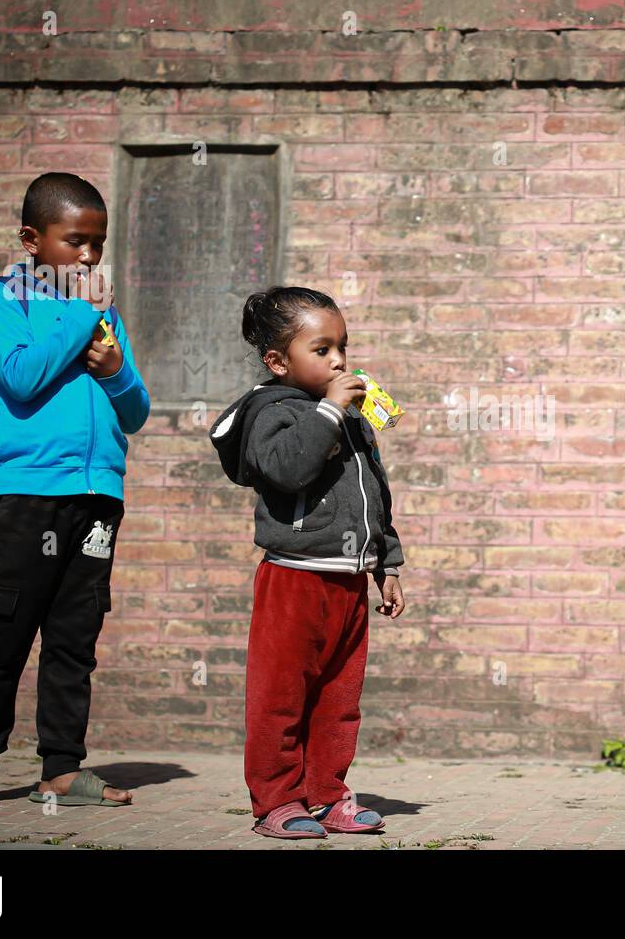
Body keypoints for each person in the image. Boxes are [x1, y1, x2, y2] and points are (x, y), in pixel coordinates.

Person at [0, 172, 149, 809]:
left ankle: (61, 769)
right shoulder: (5, 299)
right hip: (30, 494)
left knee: (75, 635)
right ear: (32, 239)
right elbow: (22, 377)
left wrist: (116, 372)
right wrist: (82, 312)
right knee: (6, 629)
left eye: (99, 242)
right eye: (76, 242)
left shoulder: (103, 310)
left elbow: (136, 410)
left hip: (97, 497)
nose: (90, 256)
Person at [210, 286, 406, 839]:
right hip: (293, 578)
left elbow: (374, 494)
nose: (339, 360)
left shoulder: (351, 415)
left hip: (348, 583)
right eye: (321, 350)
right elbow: (287, 469)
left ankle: (327, 795)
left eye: (342, 346)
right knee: (280, 698)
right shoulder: (270, 411)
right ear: (278, 361)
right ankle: (275, 801)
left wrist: (386, 565)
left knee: (339, 701)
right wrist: (327, 411)